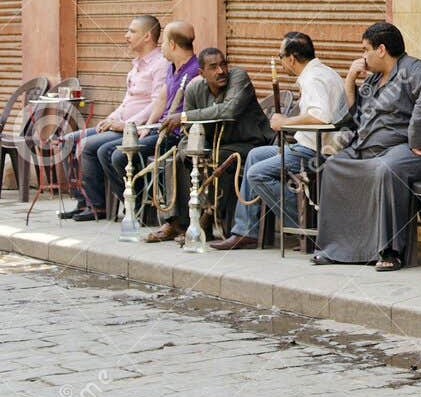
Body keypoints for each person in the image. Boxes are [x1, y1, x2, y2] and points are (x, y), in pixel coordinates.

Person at [313, 22, 421, 272]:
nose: (362, 56)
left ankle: (390, 251)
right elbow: (352, 115)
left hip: (409, 150)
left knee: (386, 169)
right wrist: (350, 78)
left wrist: (418, 138)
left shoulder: (413, 70)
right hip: (369, 146)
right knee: (333, 165)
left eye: (365, 49)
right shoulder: (374, 79)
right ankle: (337, 249)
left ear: (381, 49)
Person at [212, 32, 350, 252]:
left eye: (281, 56)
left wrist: (285, 121)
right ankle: (245, 230)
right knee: (255, 155)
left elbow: (320, 117)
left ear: (292, 58)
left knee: (257, 173)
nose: (281, 62)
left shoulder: (313, 78)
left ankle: (307, 226)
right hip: (307, 145)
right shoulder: (322, 71)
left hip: (315, 150)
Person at [148, 48, 271, 242]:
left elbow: (229, 111)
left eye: (223, 65)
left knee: (218, 158)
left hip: (249, 144)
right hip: (214, 145)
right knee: (178, 157)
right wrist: (188, 149)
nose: (221, 71)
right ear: (201, 73)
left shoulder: (239, 77)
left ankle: (207, 216)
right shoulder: (195, 89)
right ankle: (176, 222)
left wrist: (184, 116)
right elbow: (188, 130)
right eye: (213, 67)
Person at [59, 14, 165, 221]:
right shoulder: (137, 64)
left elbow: (156, 104)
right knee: (68, 141)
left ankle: (98, 205)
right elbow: (127, 102)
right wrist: (109, 118)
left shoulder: (160, 64)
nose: (126, 36)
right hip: (120, 123)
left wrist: (123, 124)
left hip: (135, 128)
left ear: (147, 36)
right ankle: (83, 202)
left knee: (88, 145)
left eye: (132, 31)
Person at [104, 22, 200, 224]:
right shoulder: (173, 67)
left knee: (119, 156)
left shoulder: (194, 71)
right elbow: (161, 100)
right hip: (157, 130)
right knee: (109, 152)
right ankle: (135, 207)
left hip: (176, 135)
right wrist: (146, 127)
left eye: (163, 42)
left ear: (172, 45)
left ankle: (139, 209)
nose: (161, 47)